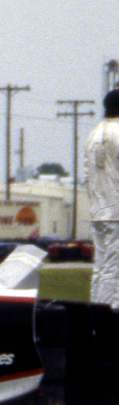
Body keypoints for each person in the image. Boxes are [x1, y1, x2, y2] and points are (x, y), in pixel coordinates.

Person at [86, 89, 119, 308]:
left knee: (100, 265)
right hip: (116, 208)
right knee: (114, 267)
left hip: (98, 207)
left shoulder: (94, 133)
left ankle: (95, 309)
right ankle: (110, 313)